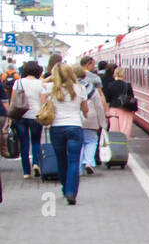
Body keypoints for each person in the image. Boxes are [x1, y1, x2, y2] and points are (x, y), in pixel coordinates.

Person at [41, 63, 89, 204]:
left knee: (61, 159)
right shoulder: (80, 88)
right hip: (75, 127)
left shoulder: (49, 88)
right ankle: (71, 191)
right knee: (74, 161)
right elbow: (85, 109)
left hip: (56, 128)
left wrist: (52, 77)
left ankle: (64, 187)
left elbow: (42, 92)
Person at [13, 61, 48, 178]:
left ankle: (26, 172)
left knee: (24, 143)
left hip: (20, 115)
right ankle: (36, 164)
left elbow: (13, 101)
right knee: (36, 141)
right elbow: (44, 104)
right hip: (35, 116)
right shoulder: (40, 84)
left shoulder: (18, 83)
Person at [76, 65, 107, 175]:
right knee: (91, 141)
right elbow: (98, 106)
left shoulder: (71, 87)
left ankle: (80, 168)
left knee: (79, 144)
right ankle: (88, 161)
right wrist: (102, 123)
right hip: (91, 117)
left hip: (76, 119)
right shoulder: (91, 88)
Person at [103, 62, 135, 140]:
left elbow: (107, 99)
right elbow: (132, 98)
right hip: (126, 110)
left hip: (114, 110)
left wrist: (106, 111)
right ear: (123, 75)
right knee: (125, 130)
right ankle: (124, 146)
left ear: (114, 74)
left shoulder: (110, 85)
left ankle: (116, 148)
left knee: (114, 130)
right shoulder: (127, 85)